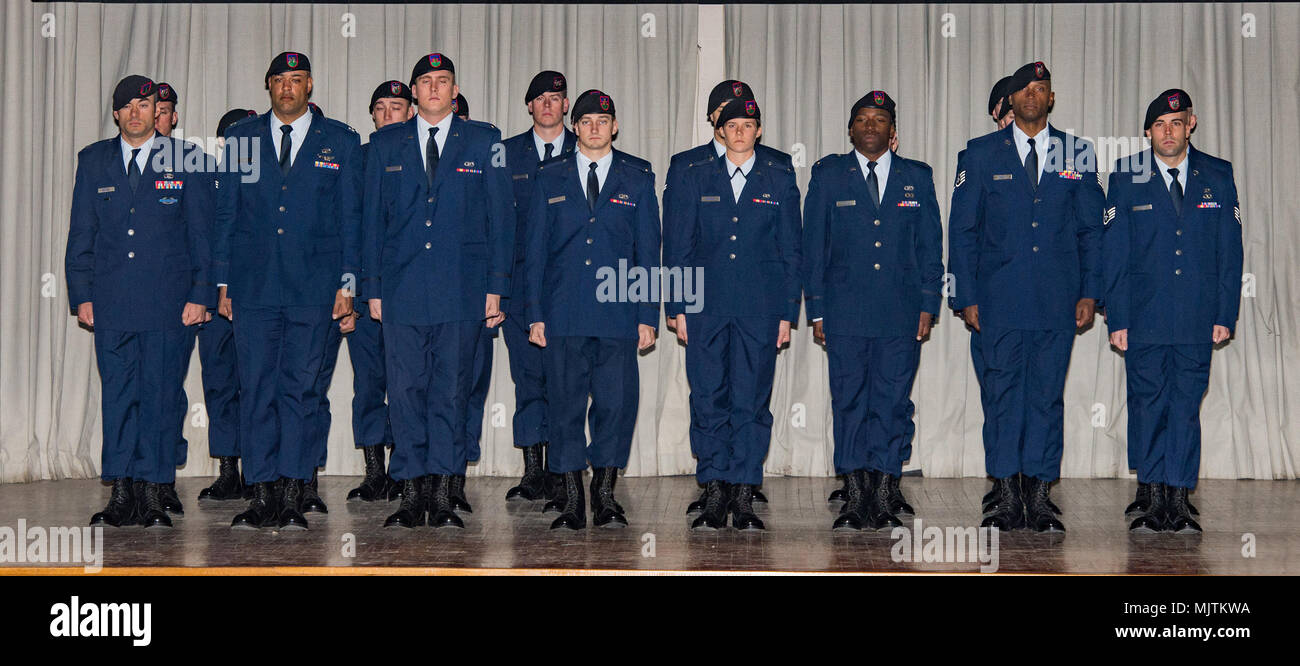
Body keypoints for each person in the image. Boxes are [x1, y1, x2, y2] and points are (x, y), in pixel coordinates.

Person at [947, 61, 1104, 533]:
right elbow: (963, 231)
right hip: (997, 302)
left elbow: (1092, 231)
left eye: (1041, 88)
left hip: (1057, 302)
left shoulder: (1077, 153)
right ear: (1010, 101)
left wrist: (1090, 292)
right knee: (1001, 399)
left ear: (1051, 98)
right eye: (1024, 89)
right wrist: (965, 296)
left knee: (1045, 398)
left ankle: (1039, 495)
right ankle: (1006, 497)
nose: (1032, 95)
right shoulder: (979, 154)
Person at [213, 52, 363, 531]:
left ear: (310, 86)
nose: (288, 87)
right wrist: (223, 283)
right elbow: (226, 217)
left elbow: (350, 222)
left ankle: (295, 491)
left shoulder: (339, 140)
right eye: (280, 79)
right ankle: (261, 493)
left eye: (296, 80)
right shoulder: (241, 138)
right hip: (253, 289)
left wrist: (348, 283)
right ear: (268, 85)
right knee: (256, 389)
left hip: (313, 290)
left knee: (299, 391)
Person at [363, 53, 513, 529]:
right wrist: (372, 288)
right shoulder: (385, 143)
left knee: (450, 392)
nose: (433, 88)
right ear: (413, 92)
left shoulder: (485, 140)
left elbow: (501, 221)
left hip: (462, 290)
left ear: (454, 90)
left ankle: (445, 493)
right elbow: (372, 223)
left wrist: (496, 288)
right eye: (425, 81)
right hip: (402, 289)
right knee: (405, 392)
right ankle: (410, 492)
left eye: (442, 81)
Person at [68, 75, 214, 528]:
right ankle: (122, 494)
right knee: (119, 397)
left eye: (144, 104)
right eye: (127, 105)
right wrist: (81, 296)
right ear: (116, 114)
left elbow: (202, 237)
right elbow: (81, 234)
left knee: (159, 396)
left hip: (169, 304)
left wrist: (200, 294)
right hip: (111, 303)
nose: (136, 112)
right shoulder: (94, 161)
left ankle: (153, 493)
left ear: (158, 111)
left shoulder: (188, 159)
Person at [1103, 89, 1241, 533]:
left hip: (1197, 317)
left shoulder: (1218, 176)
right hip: (1144, 317)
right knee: (1148, 404)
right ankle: (1153, 495)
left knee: (1184, 405)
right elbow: (1116, 255)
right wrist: (1117, 317)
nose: (1168, 131)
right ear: (1148, 132)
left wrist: (1225, 312)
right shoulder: (1126, 177)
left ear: (1191, 125)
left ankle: (1179, 499)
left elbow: (1229, 252)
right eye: (1160, 124)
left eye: (1176, 123)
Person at [804, 91, 943, 530]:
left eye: (879, 119)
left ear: (892, 131)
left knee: (890, 401)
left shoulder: (916, 177)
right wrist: (818, 311)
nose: (870, 126)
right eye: (862, 119)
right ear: (850, 129)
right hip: (844, 313)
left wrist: (927, 303)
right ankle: (855, 494)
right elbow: (814, 250)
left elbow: (930, 247)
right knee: (849, 401)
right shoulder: (829, 177)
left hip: (900, 314)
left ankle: (884, 490)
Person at [664, 93, 800, 531]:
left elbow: (790, 252)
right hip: (704, 308)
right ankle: (714, 488)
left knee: (751, 400)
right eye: (732, 125)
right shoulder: (695, 175)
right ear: (720, 131)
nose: (740, 131)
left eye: (749, 125)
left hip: (760, 311)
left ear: (759, 131)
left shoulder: (778, 177)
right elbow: (678, 246)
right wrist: (677, 307)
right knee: (708, 398)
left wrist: (786, 314)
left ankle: (743, 492)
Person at [526, 89, 660, 529]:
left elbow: (647, 254)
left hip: (618, 315)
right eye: (586, 122)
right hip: (563, 313)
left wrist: (646, 317)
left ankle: (604, 494)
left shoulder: (637, 177)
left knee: (615, 406)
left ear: (614, 126)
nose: (595, 128)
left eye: (603, 121)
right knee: (563, 406)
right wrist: (535, 313)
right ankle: (570, 501)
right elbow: (536, 252)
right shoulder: (549, 177)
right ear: (575, 127)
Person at [314, 81, 415, 505]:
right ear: (371, 116)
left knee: (411, 386)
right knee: (370, 383)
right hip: (366, 294)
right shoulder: (354, 159)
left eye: (397, 107)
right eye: (381, 108)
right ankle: (375, 471)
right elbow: (346, 233)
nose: (389, 114)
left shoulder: (426, 158)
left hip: (413, 295)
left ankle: (408, 471)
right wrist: (350, 294)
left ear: (411, 112)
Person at [500, 71, 577, 503]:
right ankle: (533, 471)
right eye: (540, 99)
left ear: (566, 105)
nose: (548, 104)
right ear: (529, 106)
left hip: (568, 290)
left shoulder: (586, 148)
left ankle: (563, 472)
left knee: (565, 383)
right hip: (519, 289)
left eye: (555, 97)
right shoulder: (507, 154)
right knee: (527, 379)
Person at [193, 109, 257, 504]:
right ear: (221, 144)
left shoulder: (265, 181)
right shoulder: (204, 180)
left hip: (254, 298)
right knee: (219, 385)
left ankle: (259, 469)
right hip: (215, 303)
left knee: (256, 385)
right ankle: (228, 469)